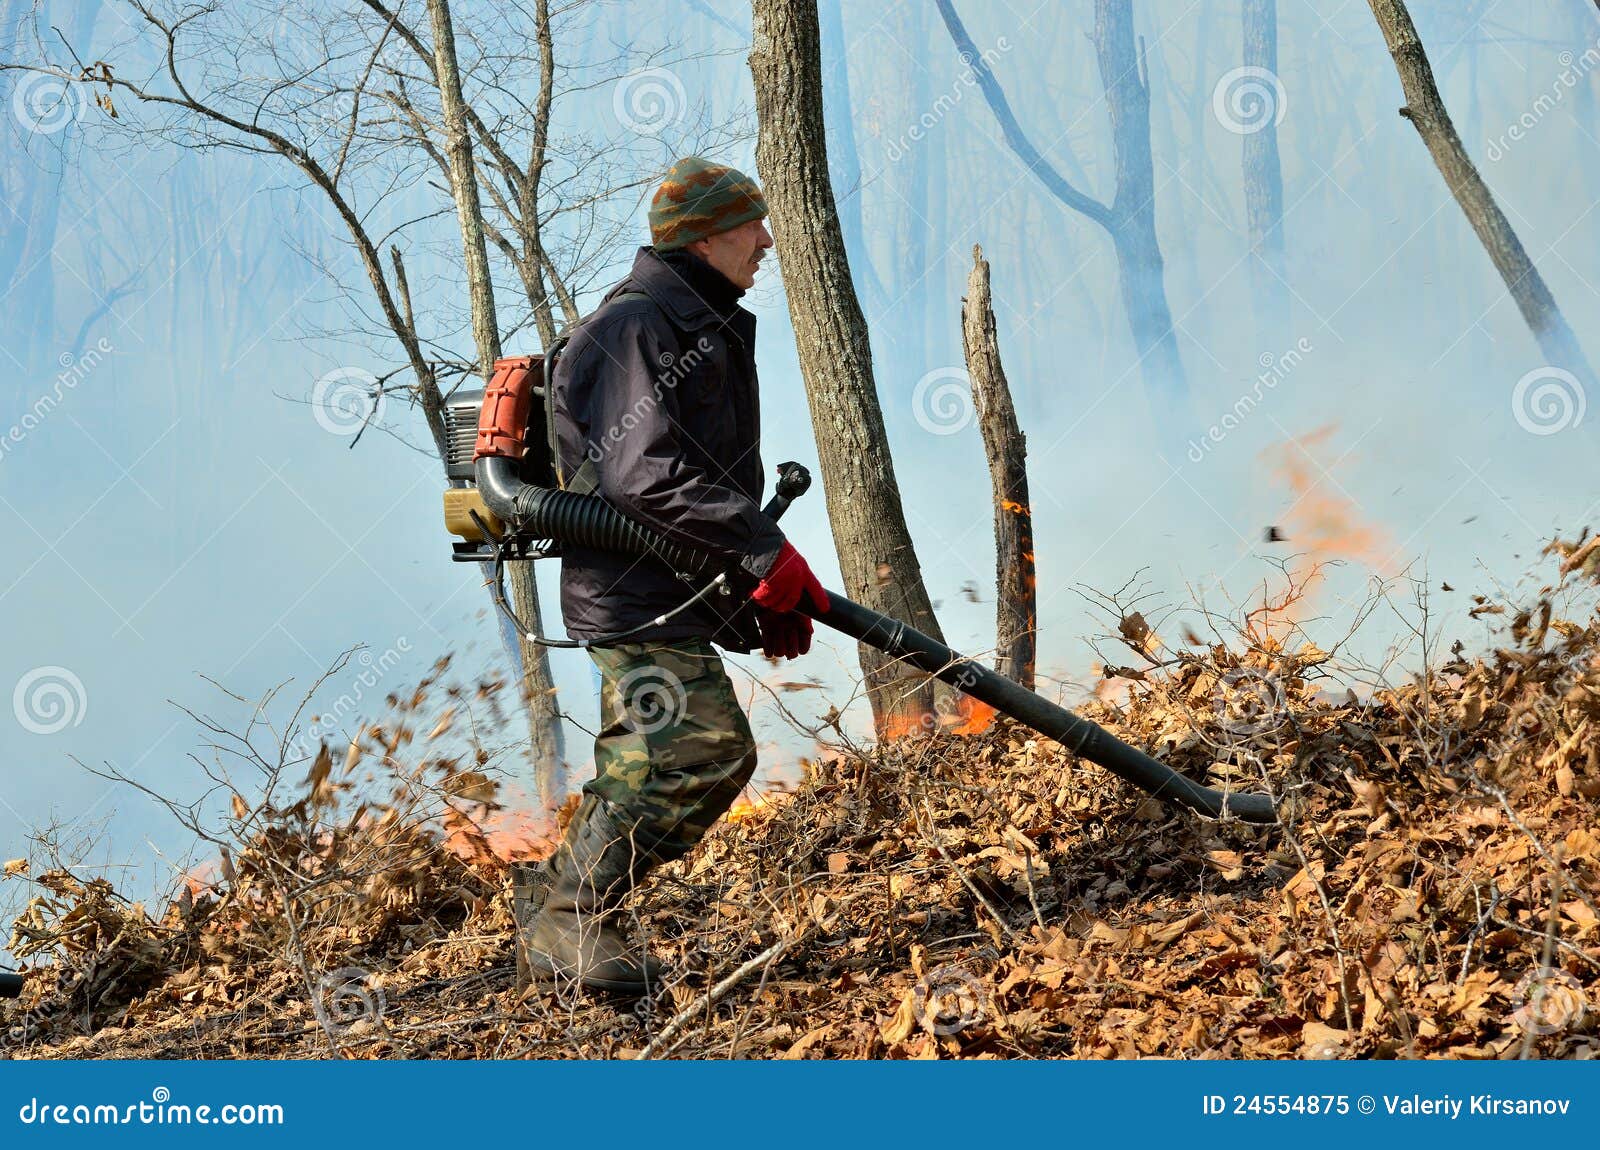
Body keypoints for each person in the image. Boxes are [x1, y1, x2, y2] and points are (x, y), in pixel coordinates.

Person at [514, 156, 829, 994]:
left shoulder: (688, 320)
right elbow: (643, 479)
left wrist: (745, 593)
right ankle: (566, 918)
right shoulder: (637, 327)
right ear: (704, 233)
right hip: (631, 600)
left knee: (644, 766)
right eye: (750, 224)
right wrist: (762, 549)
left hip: (663, 592)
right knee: (701, 754)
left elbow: (682, 483)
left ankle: (550, 908)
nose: (765, 240)